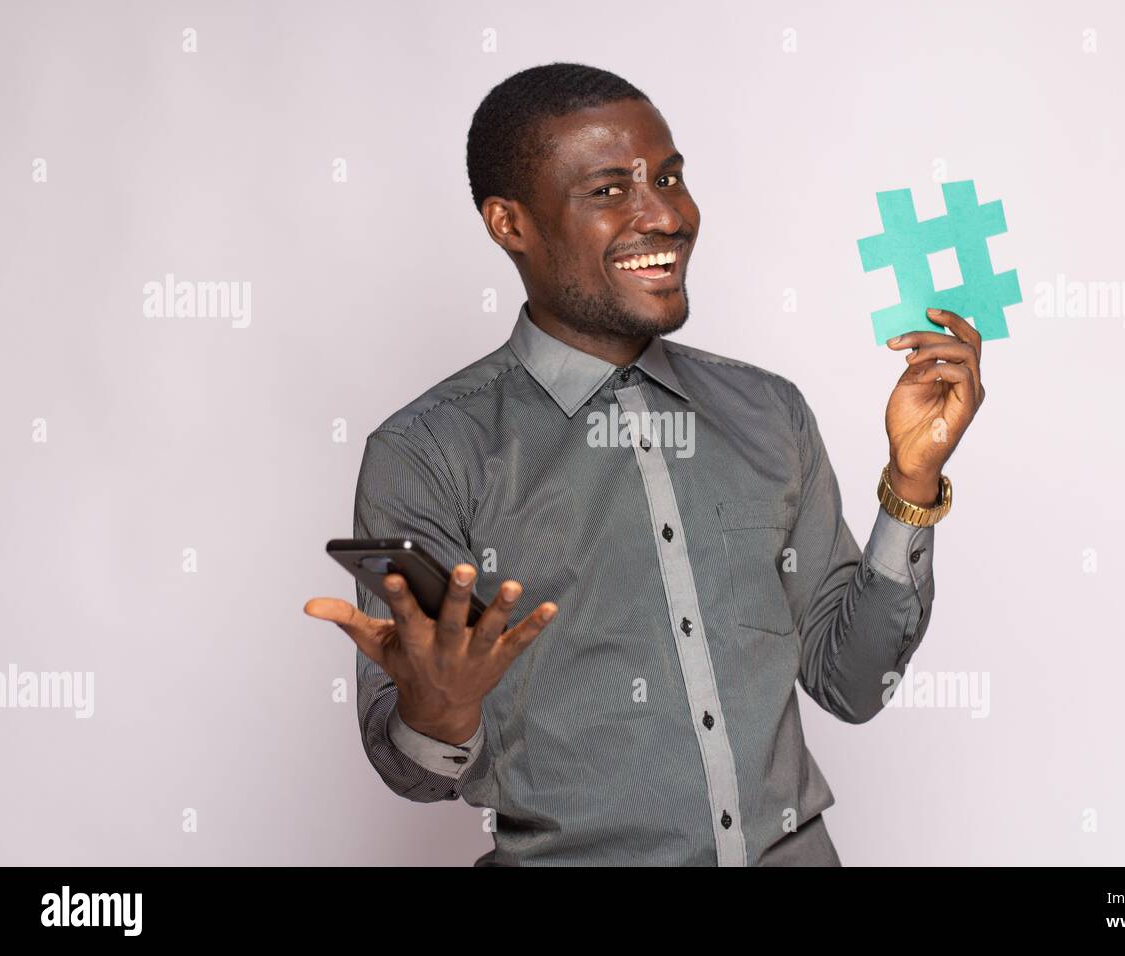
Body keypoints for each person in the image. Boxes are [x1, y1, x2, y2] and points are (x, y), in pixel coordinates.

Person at [304, 62, 985, 866]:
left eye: (668, 178)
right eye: (608, 190)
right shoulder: (427, 453)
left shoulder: (769, 413)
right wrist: (439, 712)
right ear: (508, 223)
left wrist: (911, 485)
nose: (664, 215)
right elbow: (413, 773)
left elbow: (852, 684)